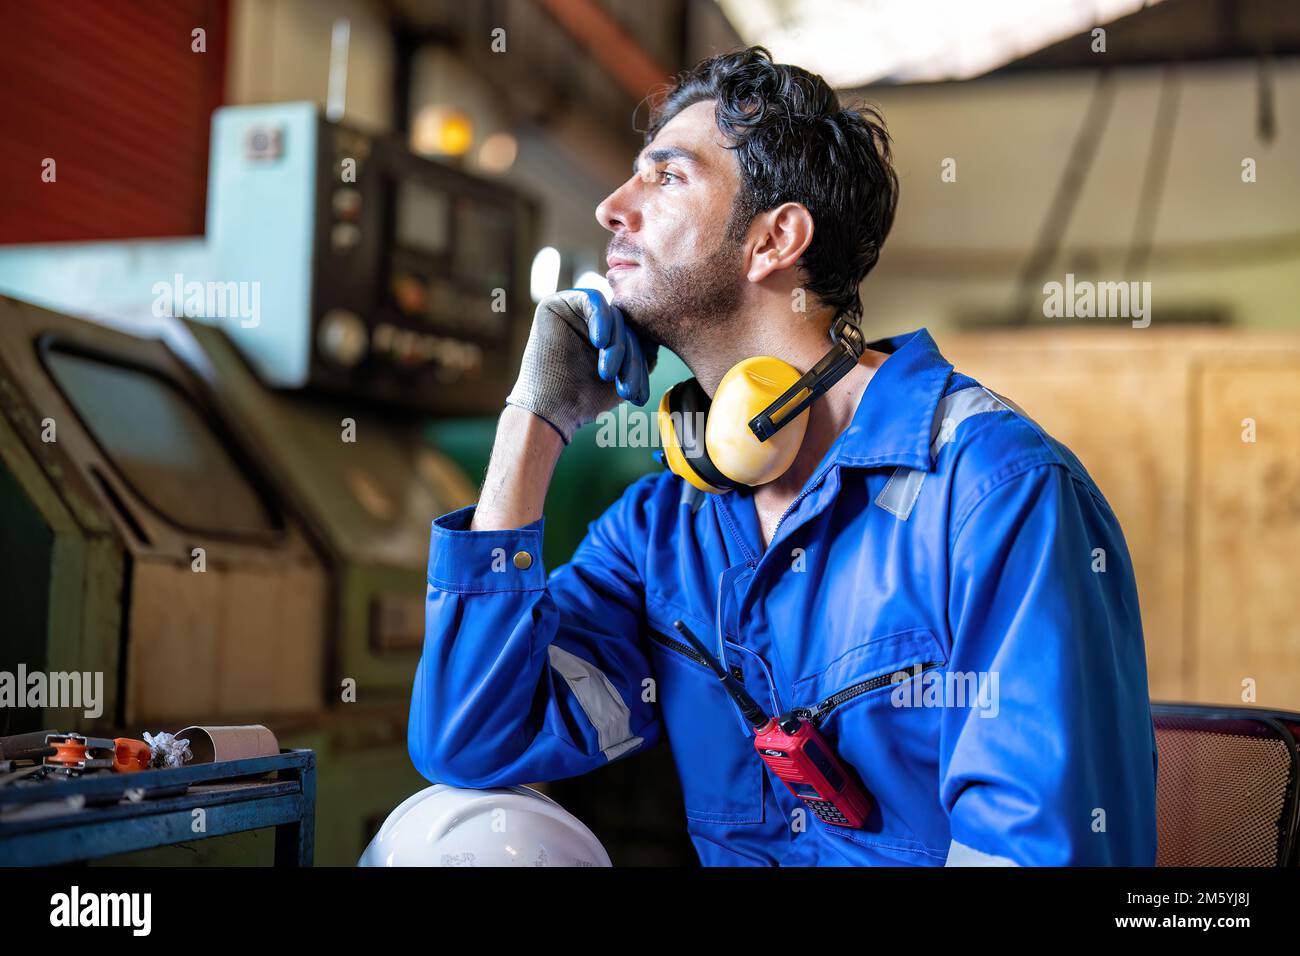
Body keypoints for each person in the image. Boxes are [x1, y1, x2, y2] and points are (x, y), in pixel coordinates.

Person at [408, 46, 1158, 866]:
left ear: (775, 240)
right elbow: (470, 742)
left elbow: (1038, 853)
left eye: (667, 177)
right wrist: (534, 419)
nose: (612, 208)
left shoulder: (993, 495)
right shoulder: (665, 531)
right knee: (448, 835)